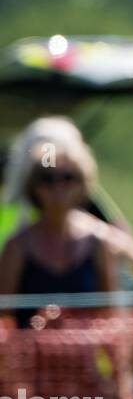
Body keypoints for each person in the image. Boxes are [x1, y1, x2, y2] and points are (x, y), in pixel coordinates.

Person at [0, 119, 120, 333]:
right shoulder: (17, 246)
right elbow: (4, 319)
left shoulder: (98, 242)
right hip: (30, 361)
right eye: (48, 178)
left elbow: (110, 318)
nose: (58, 187)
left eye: (68, 178)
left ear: (82, 183)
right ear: (34, 186)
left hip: (85, 361)